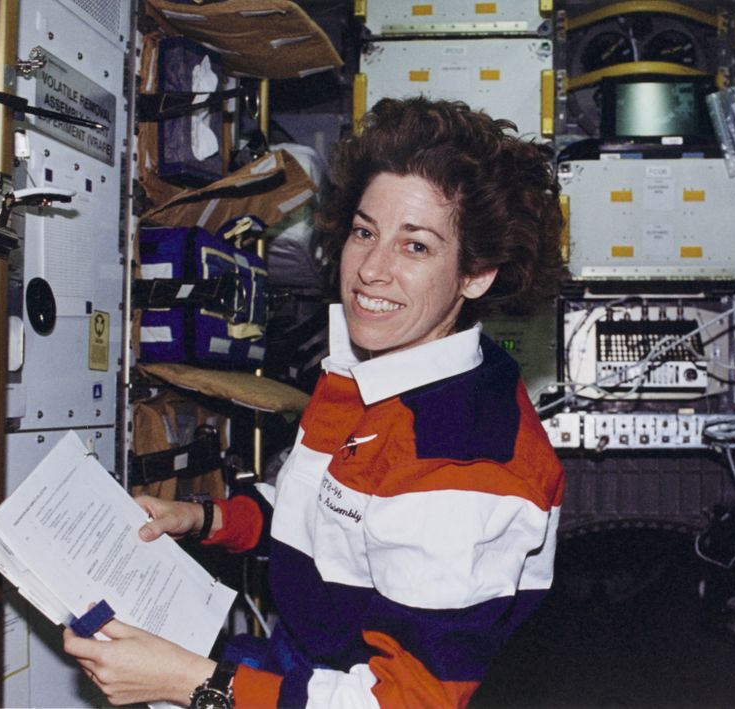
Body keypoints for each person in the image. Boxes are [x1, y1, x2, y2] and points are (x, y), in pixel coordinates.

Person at [64, 96, 566, 708]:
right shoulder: (371, 366)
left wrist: (194, 684)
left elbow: (409, 703)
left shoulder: (463, 463)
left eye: (416, 247)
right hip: (306, 656)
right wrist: (206, 519)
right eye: (364, 232)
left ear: (477, 273)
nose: (370, 271)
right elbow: (323, 510)